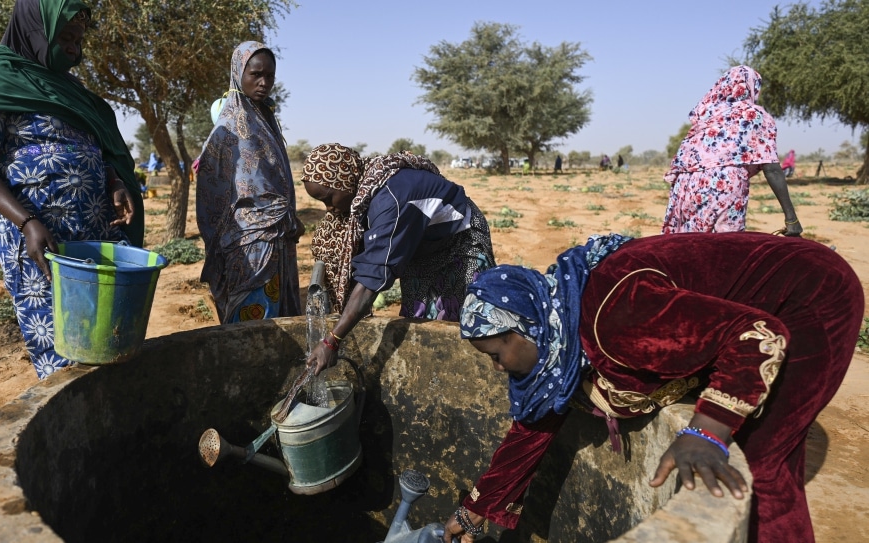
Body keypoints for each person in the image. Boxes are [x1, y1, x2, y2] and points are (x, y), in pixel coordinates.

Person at [442, 232, 863, 543]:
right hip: (760, 309)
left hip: (805, 298)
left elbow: (755, 335)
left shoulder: (618, 320)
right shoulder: (561, 333)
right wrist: (477, 509)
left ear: (526, 329)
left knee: (762, 463)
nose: (497, 369)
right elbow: (535, 424)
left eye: (495, 355)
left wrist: (706, 429)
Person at [0, 0, 143, 379]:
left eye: (79, 39)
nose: (75, 47)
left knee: (107, 332)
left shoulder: (70, 89)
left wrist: (114, 182)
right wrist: (27, 221)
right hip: (39, 236)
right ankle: (71, 431)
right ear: (36, 29)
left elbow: (99, 148)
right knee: (63, 340)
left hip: (94, 230)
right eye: (66, 37)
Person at [303, 144, 496, 374]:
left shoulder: (391, 201)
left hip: (459, 240)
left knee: (464, 319)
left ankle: (469, 374)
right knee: (419, 315)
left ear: (344, 181)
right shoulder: (368, 186)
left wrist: (332, 340)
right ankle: (431, 372)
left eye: (329, 198)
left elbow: (372, 278)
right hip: (421, 244)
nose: (330, 208)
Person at [195, 41, 303, 323]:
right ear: (238, 73)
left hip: (277, 238)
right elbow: (212, 189)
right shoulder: (228, 128)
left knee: (278, 318)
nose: (264, 82)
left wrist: (287, 216)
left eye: (270, 75)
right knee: (254, 321)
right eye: (256, 74)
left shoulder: (265, 121)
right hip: (249, 244)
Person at [662, 66, 802, 236]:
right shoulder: (755, 115)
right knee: (726, 245)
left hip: (687, 185)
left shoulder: (710, 112)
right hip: (725, 183)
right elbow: (771, 169)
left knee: (691, 243)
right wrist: (791, 219)